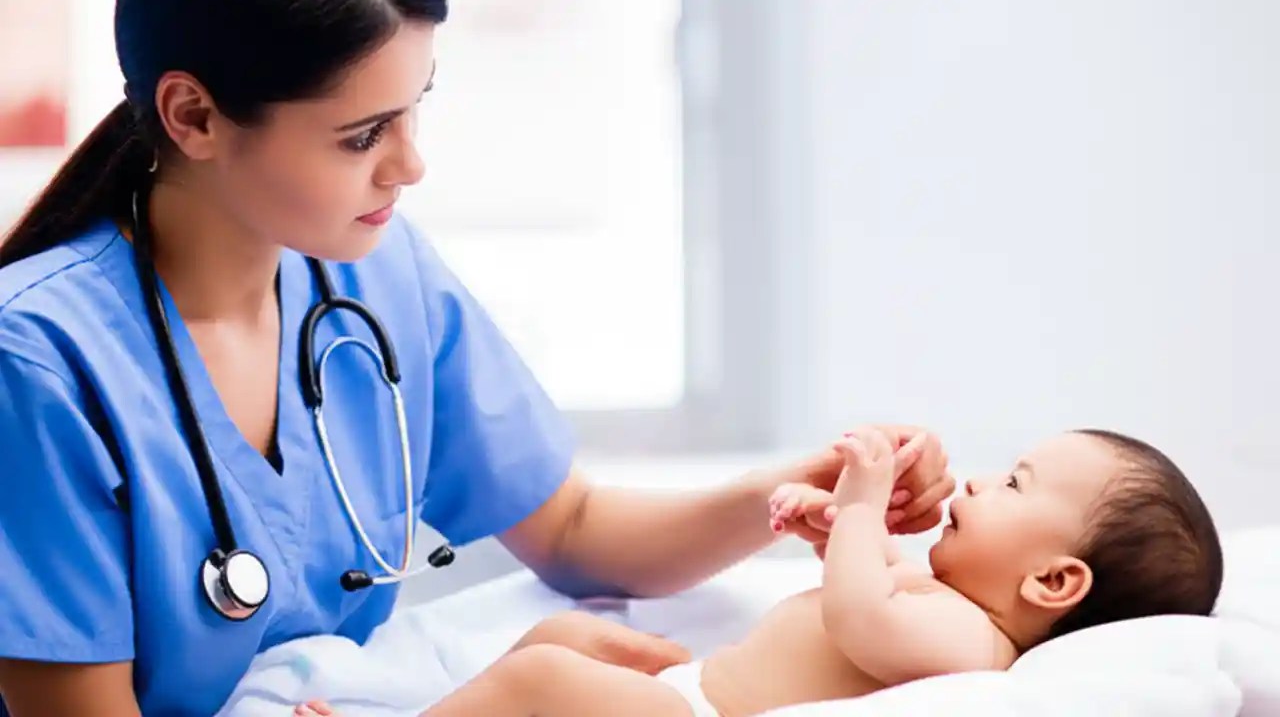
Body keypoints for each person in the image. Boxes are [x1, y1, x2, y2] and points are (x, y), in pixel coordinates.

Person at [0, 0, 958, 716]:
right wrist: (492, 702)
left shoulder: (375, 275)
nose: (410, 166)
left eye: (415, 110)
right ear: (194, 116)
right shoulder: (39, 361)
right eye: (363, 135)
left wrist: (793, 491)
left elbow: (576, 527)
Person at [292, 426, 1222, 716]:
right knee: (566, 641)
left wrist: (859, 506)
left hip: (705, 715)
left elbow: (860, 620)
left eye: (1015, 483)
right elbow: (865, 592)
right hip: (694, 690)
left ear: (1054, 583)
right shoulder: (945, 607)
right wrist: (838, 531)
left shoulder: (979, 645)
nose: (982, 480)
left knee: (545, 678)